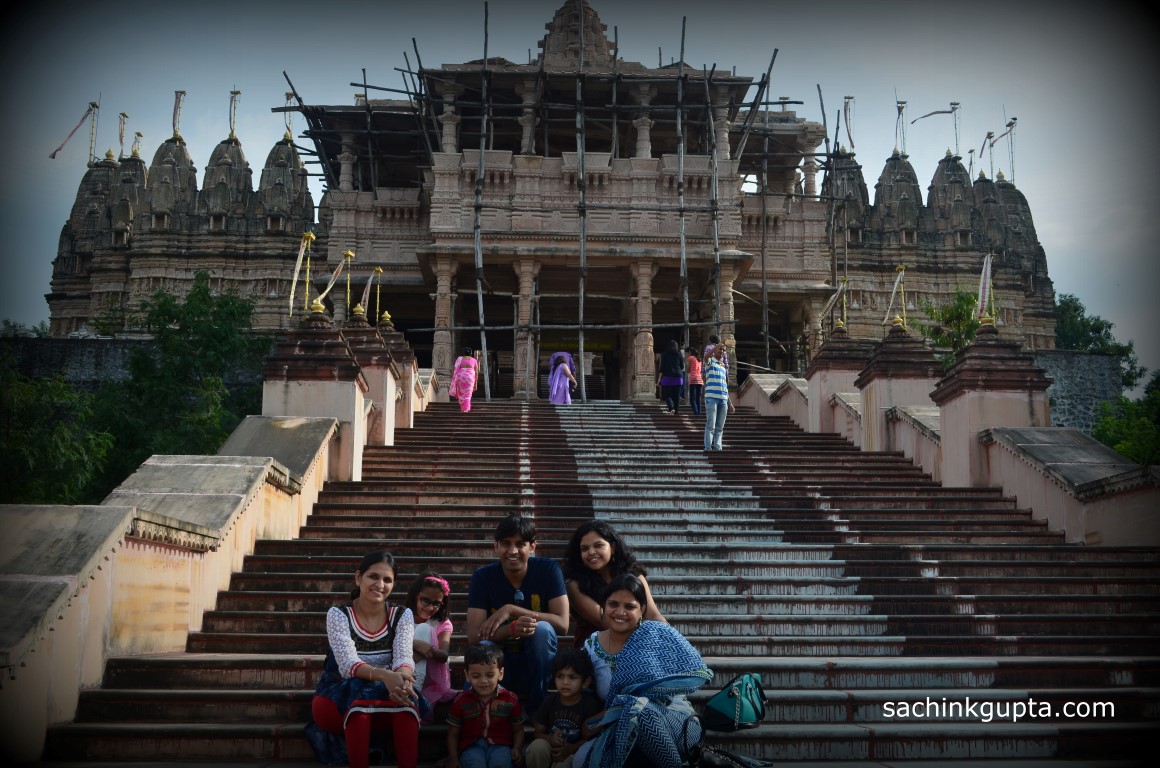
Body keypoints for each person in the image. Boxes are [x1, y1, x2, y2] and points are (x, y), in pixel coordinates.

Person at [575, 574, 712, 768]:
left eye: (629, 607)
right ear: (604, 607)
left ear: (642, 610)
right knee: (584, 757)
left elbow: (694, 667)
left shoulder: (656, 635)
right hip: (619, 727)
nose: (620, 612)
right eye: (613, 604)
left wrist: (612, 712)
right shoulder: (592, 645)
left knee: (639, 710)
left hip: (676, 724)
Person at [307, 550, 419, 768]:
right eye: (373, 577)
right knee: (360, 692)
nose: (380, 584)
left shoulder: (402, 614)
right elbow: (349, 665)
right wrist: (386, 676)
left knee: (407, 697)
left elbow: (403, 657)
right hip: (337, 699)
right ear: (358, 578)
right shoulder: (338, 614)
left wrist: (403, 679)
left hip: (387, 697)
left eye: (387, 580)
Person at [466, 514, 570, 712]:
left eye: (520, 544)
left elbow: (563, 624)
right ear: (495, 546)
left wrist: (511, 609)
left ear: (532, 547)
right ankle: (485, 714)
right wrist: (512, 629)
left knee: (543, 630)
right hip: (501, 666)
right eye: (506, 543)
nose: (512, 551)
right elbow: (473, 636)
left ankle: (539, 707)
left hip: (538, 665)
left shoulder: (548, 570)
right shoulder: (482, 577)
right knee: (484, 646)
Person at [562, 520, 666, 648]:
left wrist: (671, 638)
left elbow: (653, 615)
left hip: (639, 645)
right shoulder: (574, 584)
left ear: (612, 547)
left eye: (598, 545)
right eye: (585, 549)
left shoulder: (634, 576)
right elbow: (607, 621)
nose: (591, 552)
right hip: (594, 651)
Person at [446, 644, 527, 768]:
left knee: (501, 764)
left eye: (490, 675)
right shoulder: (460, 701)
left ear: (500, 674)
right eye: (476, 676)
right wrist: (453, 757)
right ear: (467, 675)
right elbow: (453, 733)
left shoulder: (510, 700)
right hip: (471, 746)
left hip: (502, 745)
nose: (483, 681)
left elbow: (518, 730)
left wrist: (517, 748)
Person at [524, 649, 603, 768]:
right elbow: (538, 733)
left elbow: (591, 740)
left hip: (572, 752)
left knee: (563, 765)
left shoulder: (589, 704)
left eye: (572, 677)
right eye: (560, 676)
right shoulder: (549, 701)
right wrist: (550, 739)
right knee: (537, 747)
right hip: (550, 747)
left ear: (585, 682)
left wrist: (570, 749)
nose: (565, 682)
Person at [404, 571, 455, 720]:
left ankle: (414, 689)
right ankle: (409, 686)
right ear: (415, 596)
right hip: (404, 668)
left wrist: (428, 648)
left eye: (436, 603)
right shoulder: (402, 617)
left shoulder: (442, 623)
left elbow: (443, 655)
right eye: (425, 600)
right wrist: (415, 644)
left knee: (424, 629)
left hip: (432, 680)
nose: (431, 607)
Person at [704, 341, 735, 451]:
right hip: (711, 398)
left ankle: (718, 447)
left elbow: (725, 386)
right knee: (710, 425)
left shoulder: (723, 367)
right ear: (715, 349)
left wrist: (730, 403)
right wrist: (717, 345)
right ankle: (708, 448)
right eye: (719, 349)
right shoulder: (710, 362)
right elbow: (706, 356)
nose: (721, 351)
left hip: (723, 399)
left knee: (720, 427)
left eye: (723, 350)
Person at [655, 339, 685, 415]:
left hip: (668, 377)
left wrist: (659, 379)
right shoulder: (679, 354)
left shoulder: (664, 355)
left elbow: (662, 368)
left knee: (667, 395)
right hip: (678, 377)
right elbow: (682, 366)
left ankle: (671, 408)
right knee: (677, 396)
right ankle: (676, 411)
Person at [450, 347, 480, 413]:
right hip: (470, 378)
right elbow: (477, 373)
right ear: (471, 353)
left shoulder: (460, 359)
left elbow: (456, 369)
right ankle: (466, 409)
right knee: (468, 395)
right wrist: (476, 384)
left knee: (462, 393)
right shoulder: (474, 360)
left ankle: (463, 409)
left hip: (461, 377)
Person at [684, 346, 703, 416]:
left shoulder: (690, 358)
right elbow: (700, 370)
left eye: (686, 353)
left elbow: (688, 369)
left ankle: (696, 413)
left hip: (693, 379)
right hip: (700, 380)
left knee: (692, 398)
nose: (686, 355)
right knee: (698, 398)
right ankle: (699, 412)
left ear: (689, 352)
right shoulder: (699, 360)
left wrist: (688, 369)